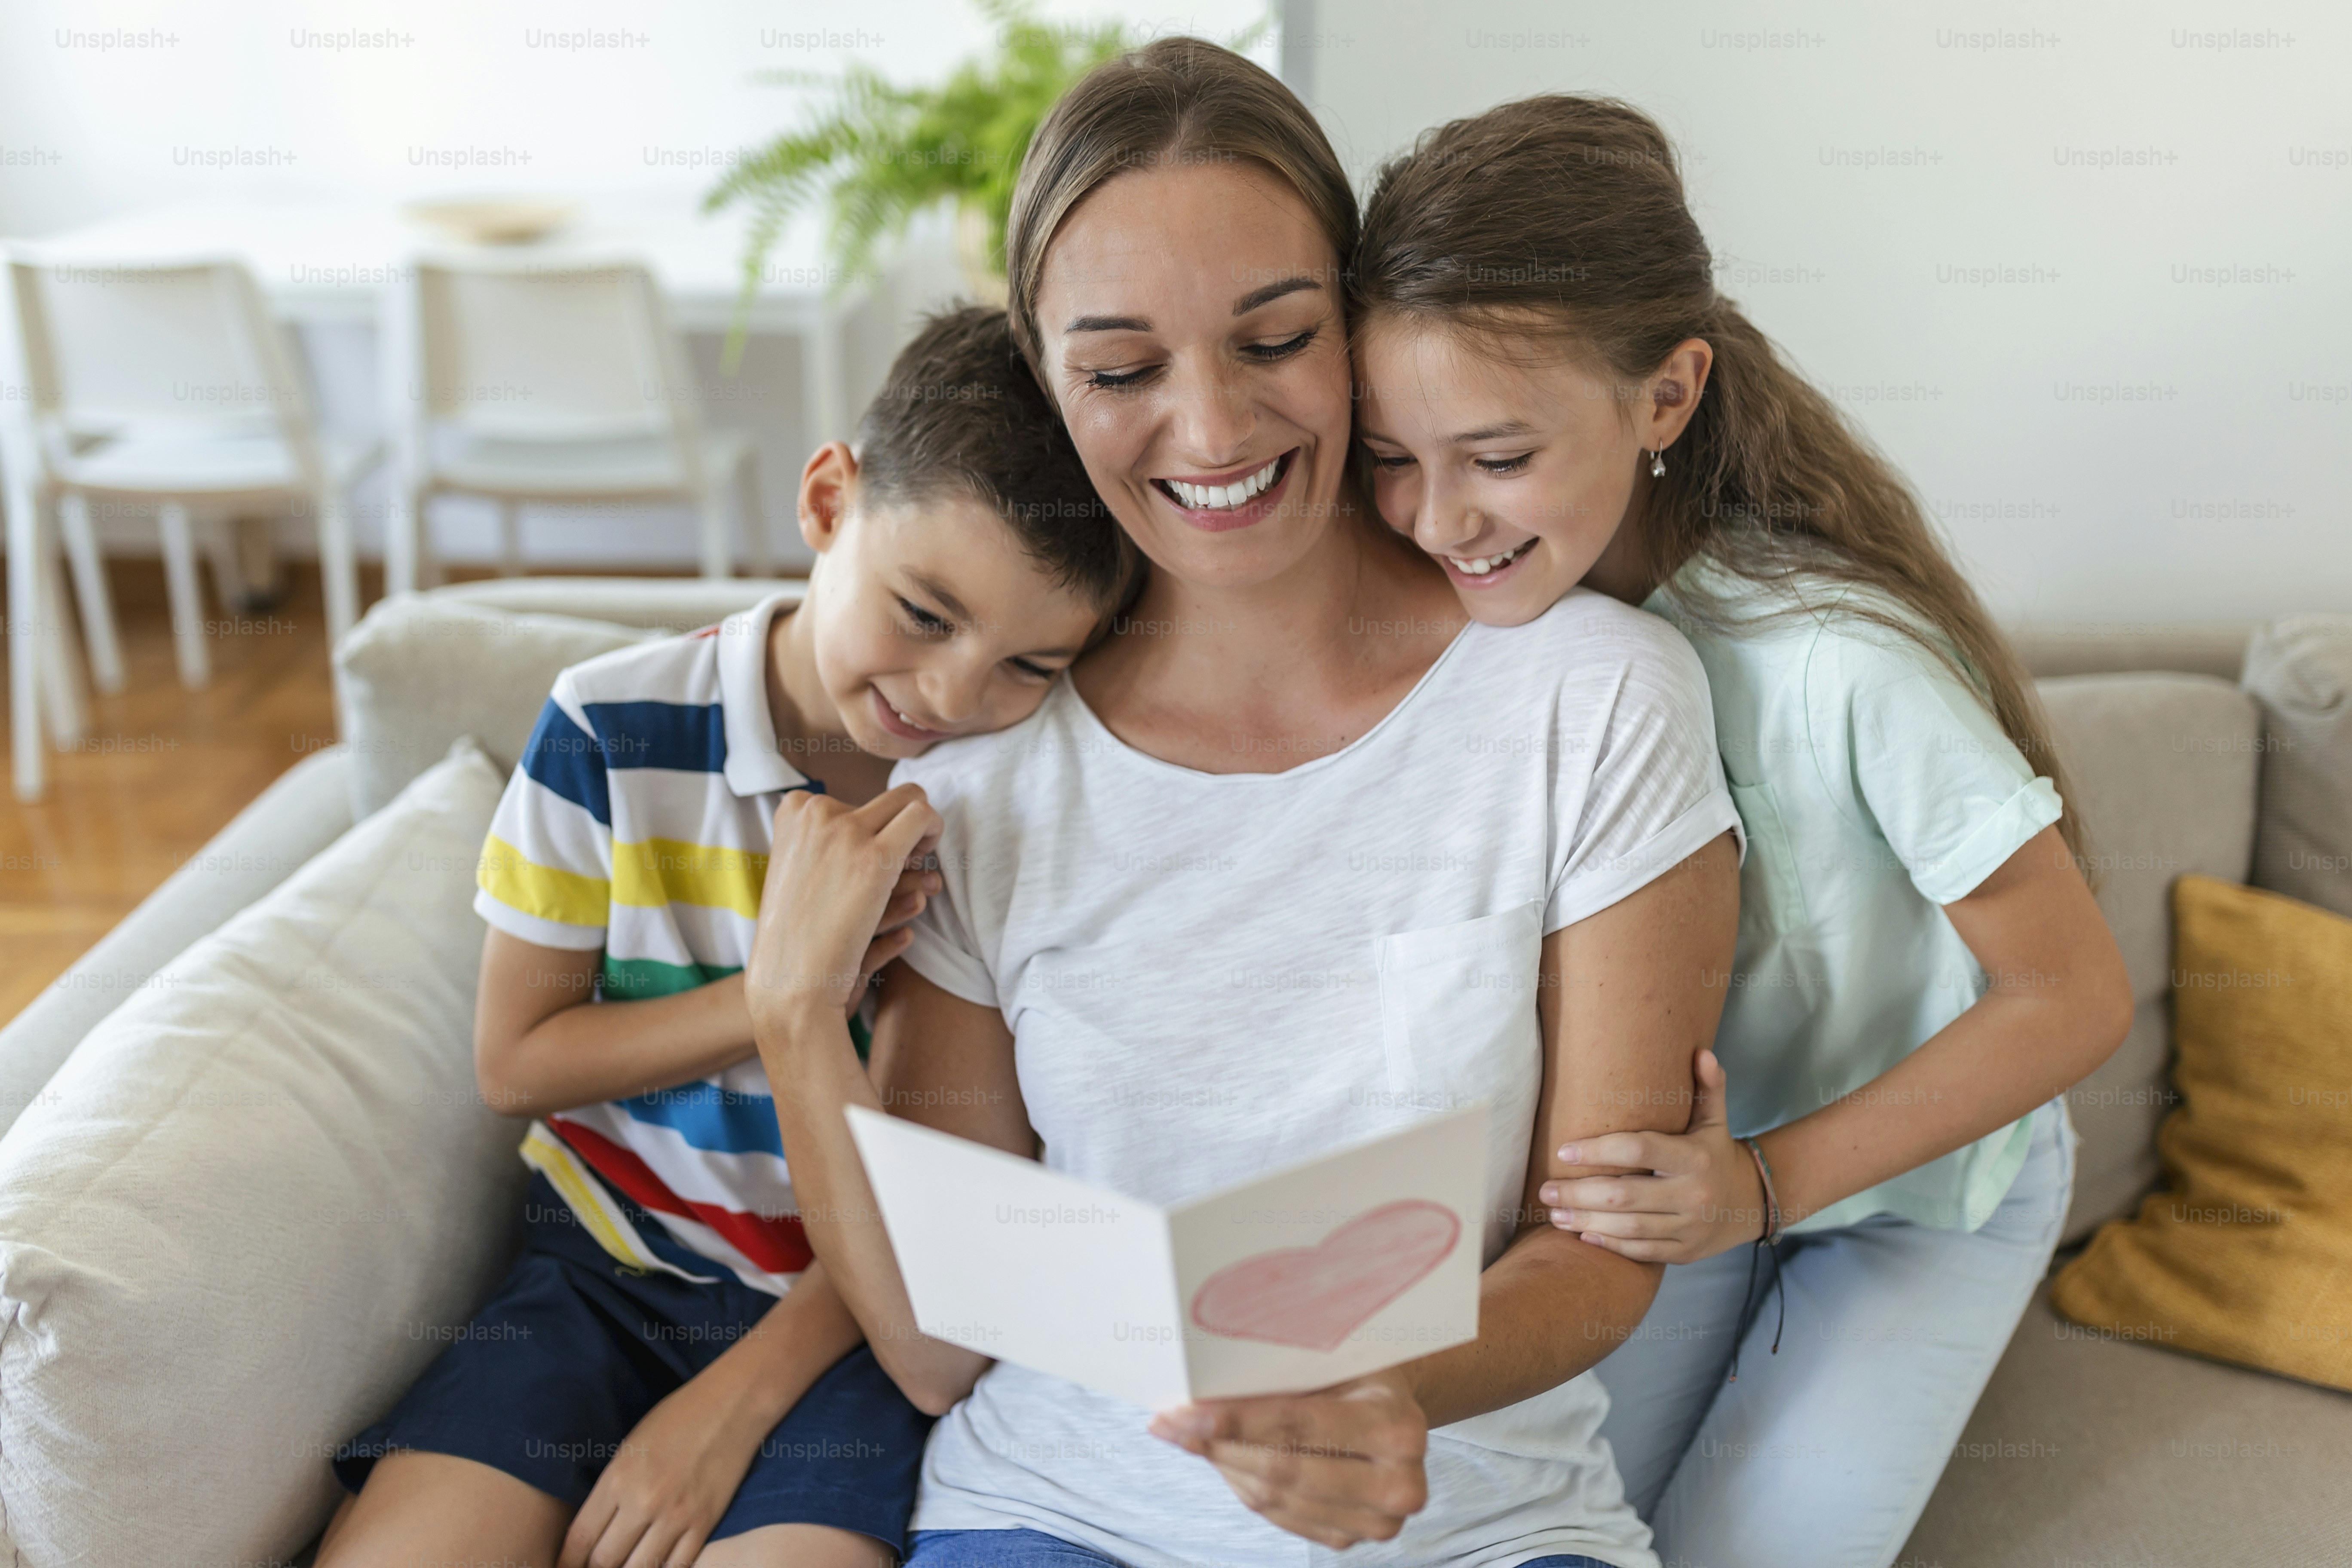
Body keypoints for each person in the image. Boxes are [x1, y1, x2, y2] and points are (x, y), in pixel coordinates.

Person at [741, 39, 1743, 1568]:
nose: (1210, 435)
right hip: (1059, 1516)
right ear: (1048, 381)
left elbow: (1602, 1255)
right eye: (1124, 371)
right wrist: (794, 1019)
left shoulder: (1593, 699)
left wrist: (1380, 1395)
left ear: (1358, 328)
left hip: (1480, 1526)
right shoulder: (985, 762)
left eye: (1274, 340)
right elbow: (945, 1355)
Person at [1348, 94, 2135, 1568]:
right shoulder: (1496, 622)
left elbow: (2072, 991)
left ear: (1666, 396)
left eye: (1497, 457)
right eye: (1392, 456)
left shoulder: (1842, 659)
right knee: (1544, 1520)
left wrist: (1767, 1185)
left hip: (1914, 1191)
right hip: (1684, 1184)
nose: (1436, 519)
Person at [315, 308, 1141, 1568]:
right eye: (923, 612)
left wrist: (735, 1401)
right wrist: (780, 992)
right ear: (827, 501)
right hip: (599, 1271)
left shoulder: (1001, 798)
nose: (954, 697)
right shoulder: (610, 727)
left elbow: (926, 1230)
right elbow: (516, 1061)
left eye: (1030, 664)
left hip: (849, 1321)